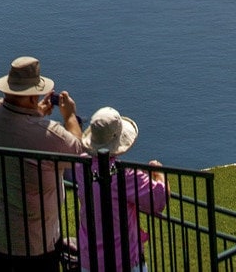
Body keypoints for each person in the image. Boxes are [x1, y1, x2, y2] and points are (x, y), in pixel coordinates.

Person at [0, 56, 84, 271]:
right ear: (33, 96)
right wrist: (69, 116)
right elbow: (79, 152)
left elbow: (16, 126)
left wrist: (37, 110)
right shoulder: (48, 135)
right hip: (33, 244)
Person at [73, 106, 170, 272]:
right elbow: (158, 200)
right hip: (124, 260)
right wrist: (159, 174)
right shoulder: (125, 175)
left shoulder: (81, 166)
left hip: (89, 260)